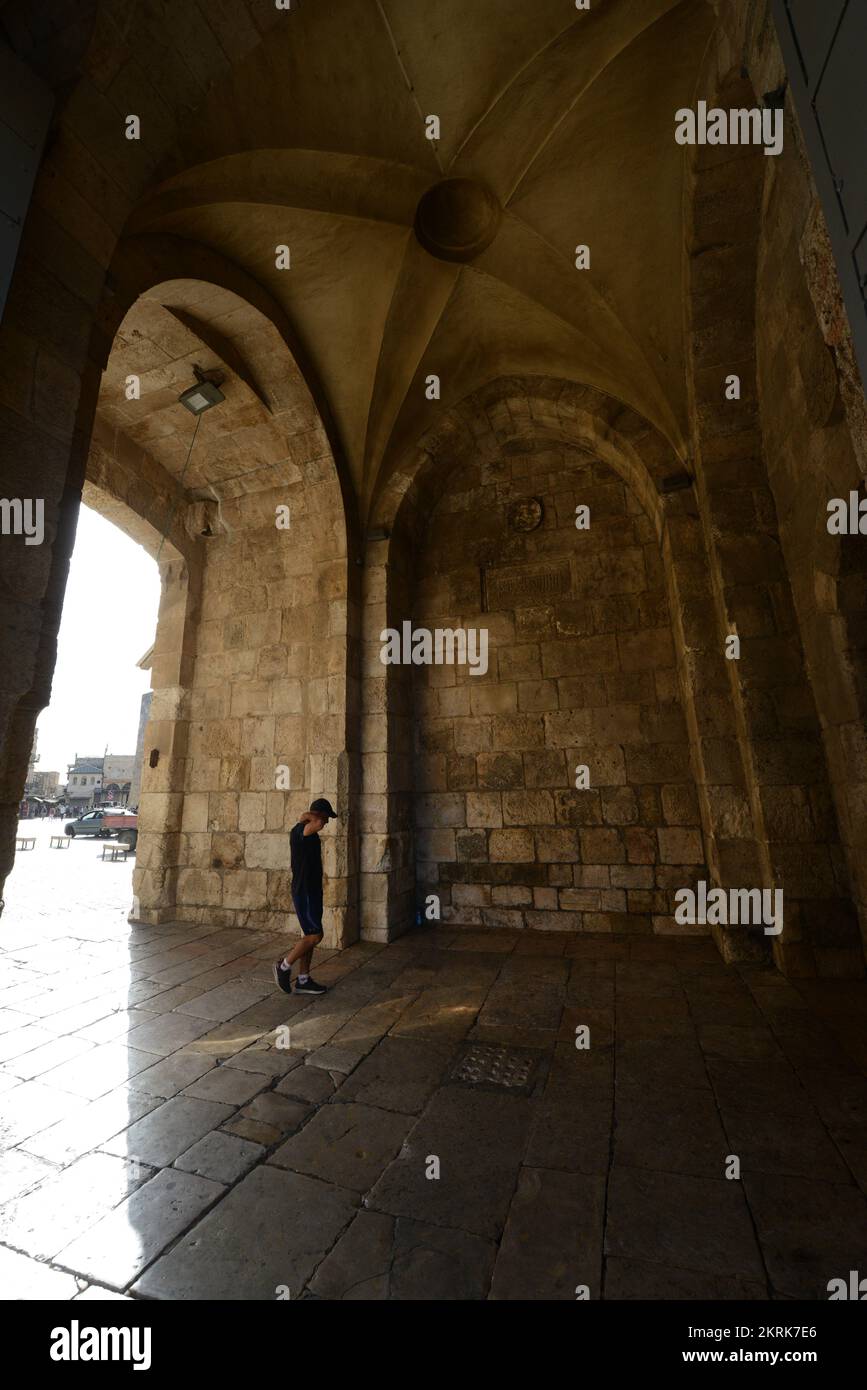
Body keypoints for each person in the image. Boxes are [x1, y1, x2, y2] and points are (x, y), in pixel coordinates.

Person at [273, 797, 338, 996]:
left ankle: (303, 979)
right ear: (317, 816)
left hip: (312, 891)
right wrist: (309, 816)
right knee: (315, 935)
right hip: (305, 891)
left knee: (310, 935)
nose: (326, 822)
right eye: (326, 817)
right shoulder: (301, 831)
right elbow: (314, 822)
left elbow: (315, 822)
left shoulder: (308, 832)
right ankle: (283, 966)